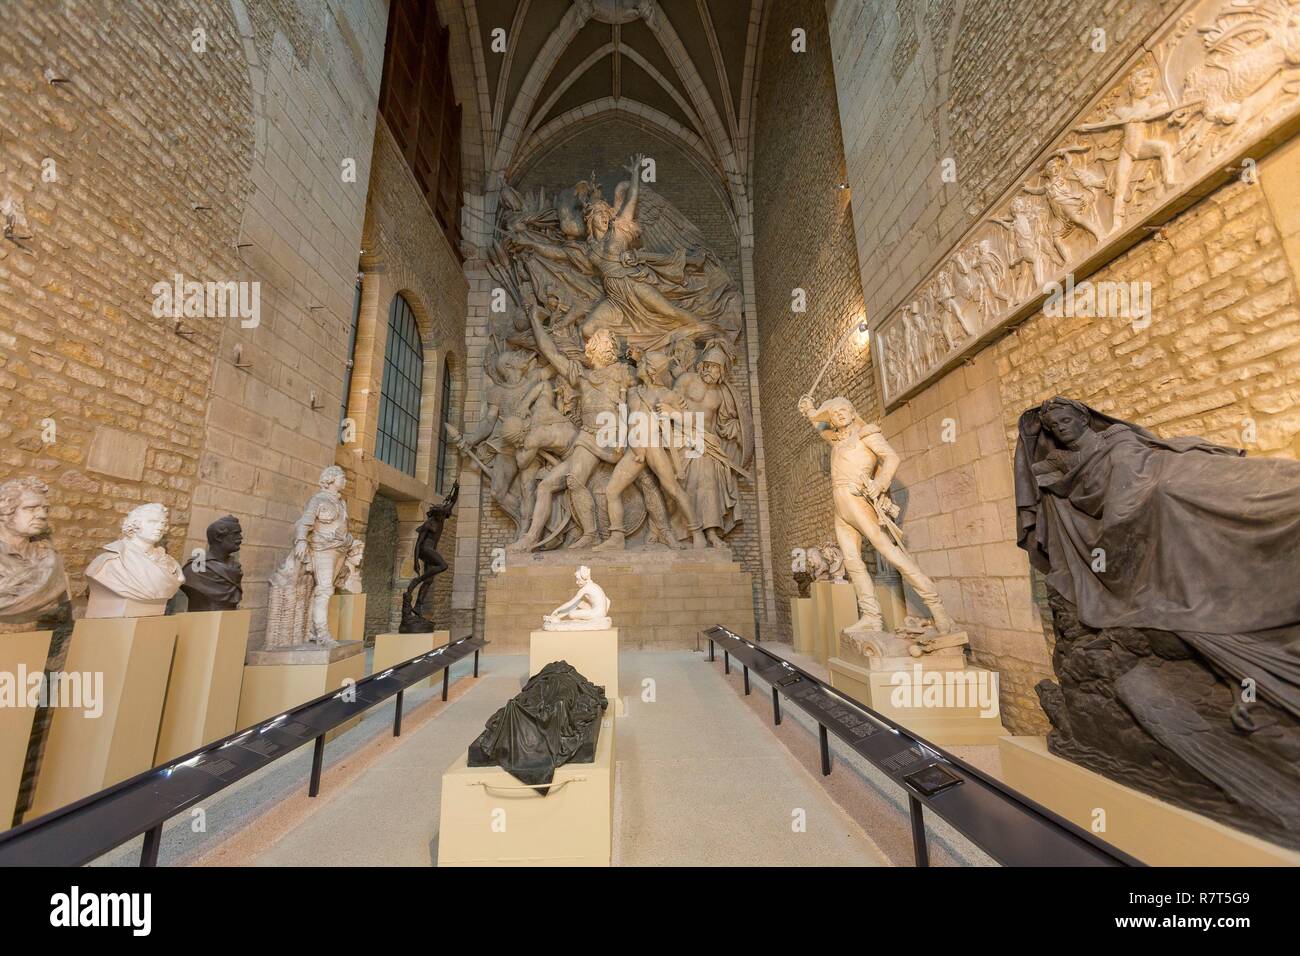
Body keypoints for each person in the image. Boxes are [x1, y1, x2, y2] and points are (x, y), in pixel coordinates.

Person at [798, 394, 954, 633]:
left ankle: (938, 610)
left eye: (844, 410)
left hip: (857, 500)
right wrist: (810, 410)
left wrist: (880, 483)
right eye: (835, 412)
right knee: (852, 562)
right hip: (841, 508)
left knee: (890, 553)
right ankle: (872, 616)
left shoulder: (866, 434)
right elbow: (820, 426)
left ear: (852, 413)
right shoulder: (837, 441)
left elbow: (891, 457)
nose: (839, 414)